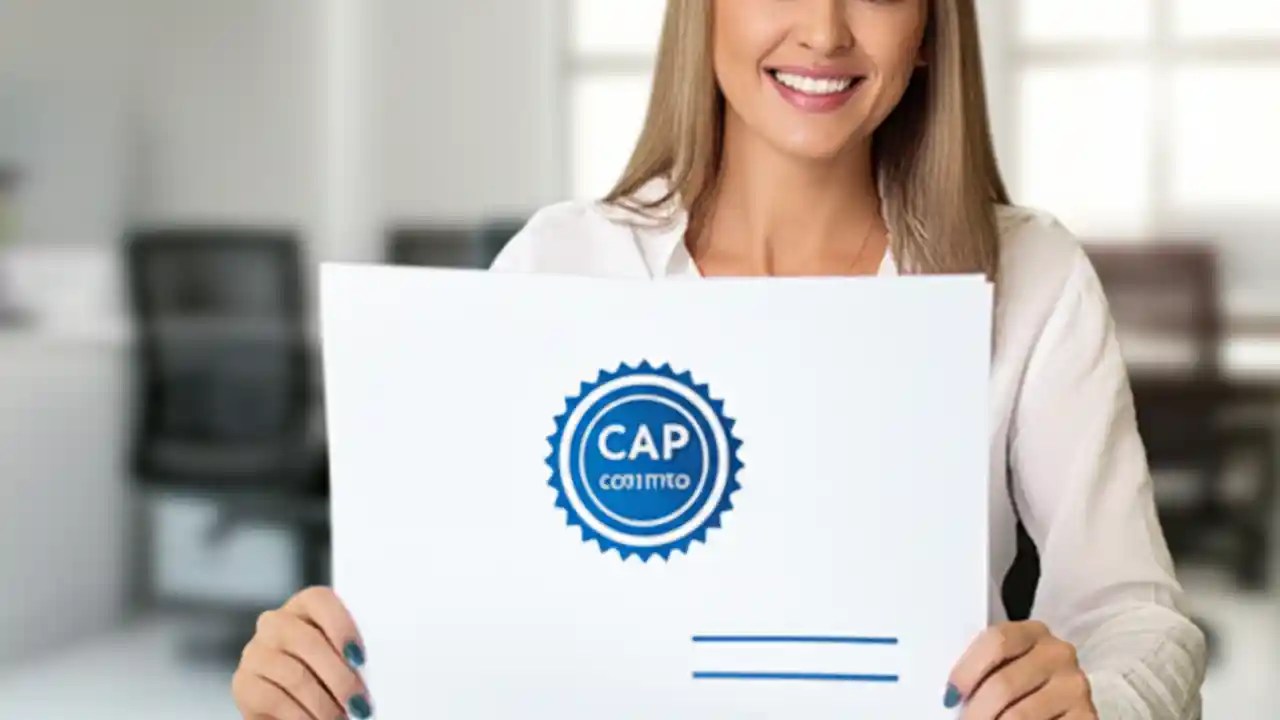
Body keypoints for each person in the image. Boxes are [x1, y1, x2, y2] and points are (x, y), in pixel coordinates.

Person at [232, 1, 1207, 718]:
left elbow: (1136, 615)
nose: (824, 31)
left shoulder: (1031, 276)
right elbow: (442, 622)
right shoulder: (557, 265)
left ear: (927, 30)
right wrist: (314, 670)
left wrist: (1096, 706)